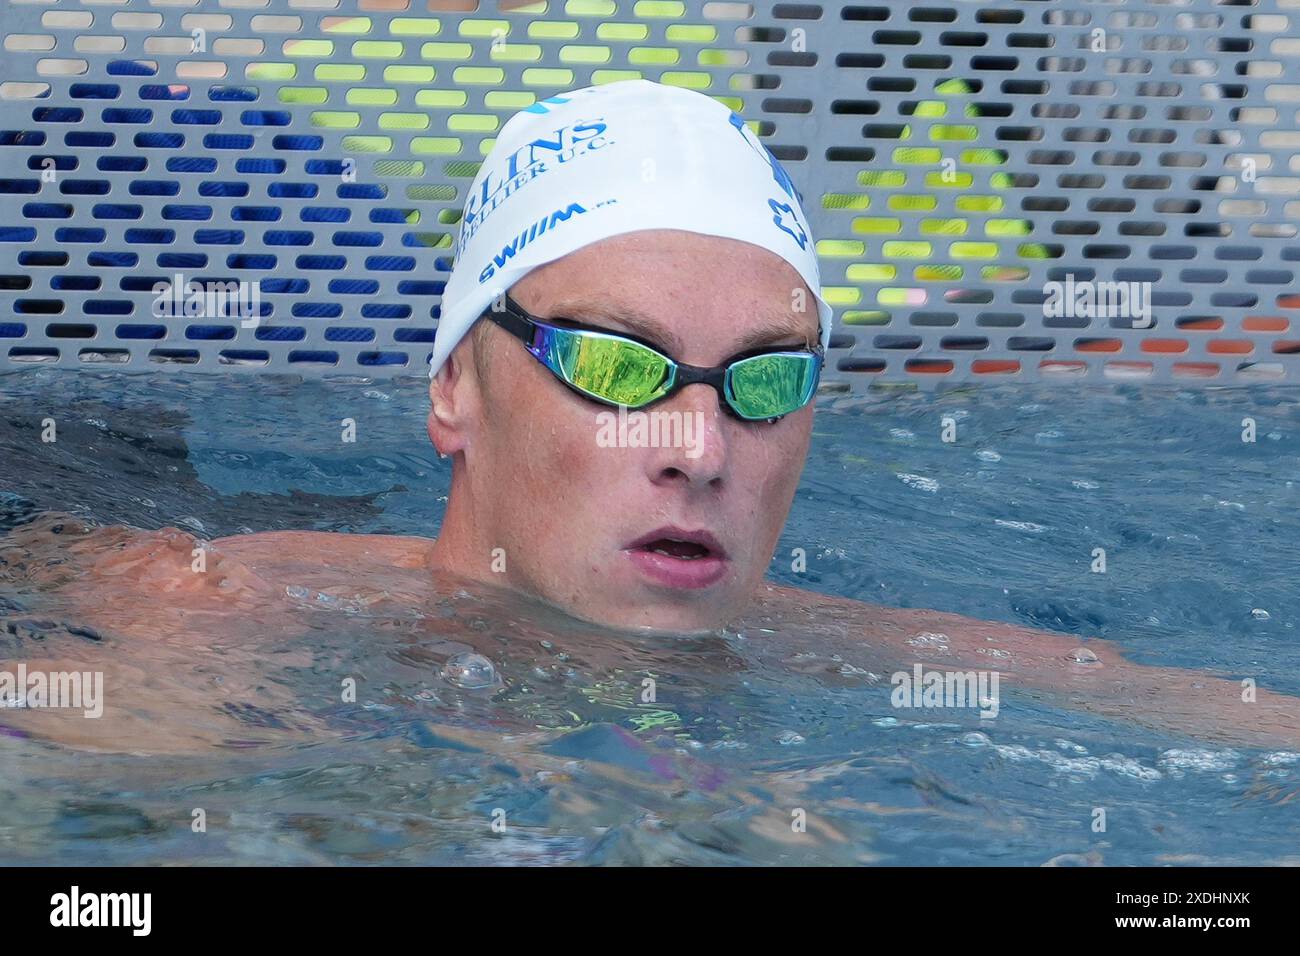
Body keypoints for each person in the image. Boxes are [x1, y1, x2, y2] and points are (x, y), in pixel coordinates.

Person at [3, 80, 1299, 754]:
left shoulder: (886, 661)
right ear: (455, 387)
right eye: (620, 366)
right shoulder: (213, 622)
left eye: (767, 379)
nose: (698, 446)